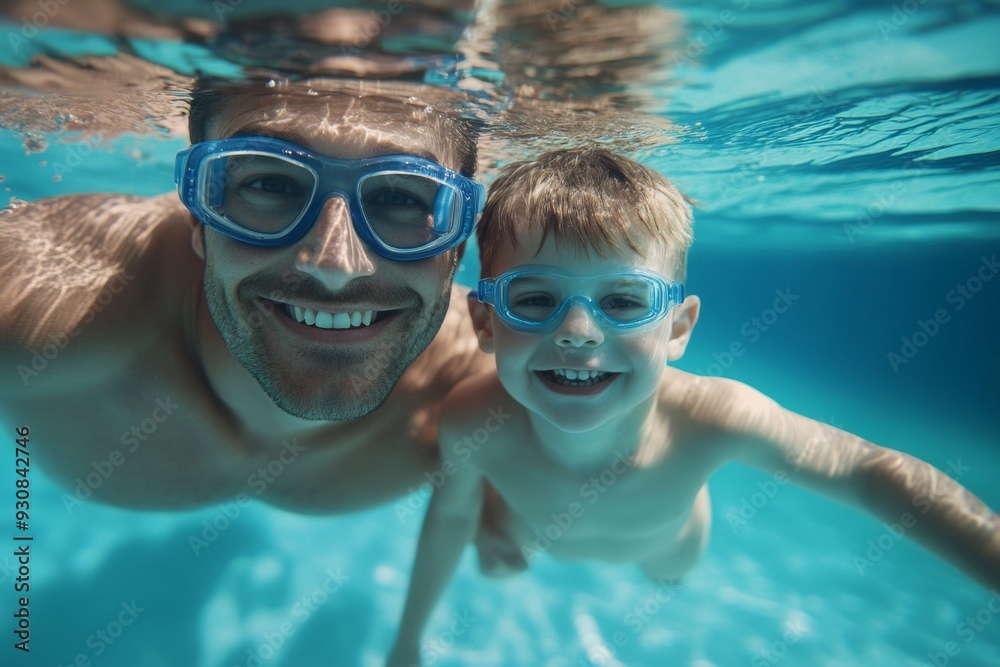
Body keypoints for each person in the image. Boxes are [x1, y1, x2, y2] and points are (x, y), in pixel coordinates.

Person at [386, 147, 1000, 665]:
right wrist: (407, 643)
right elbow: (446, 519)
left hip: (666, 548)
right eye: (535, 298)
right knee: (493, 558)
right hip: (532, 529)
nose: (577, 331)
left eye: (624, 302)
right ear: (484, 322)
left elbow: (865, 471)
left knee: (667, 579)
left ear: (679, 329)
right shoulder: (470, 419)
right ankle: (506, 524)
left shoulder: (716, 418)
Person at [0, 78, 519, 553]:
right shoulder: (47, 306)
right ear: (199, 220)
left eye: (397, 196)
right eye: (271, 185)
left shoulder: (493, 393)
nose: (335, 265)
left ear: (457, 245)